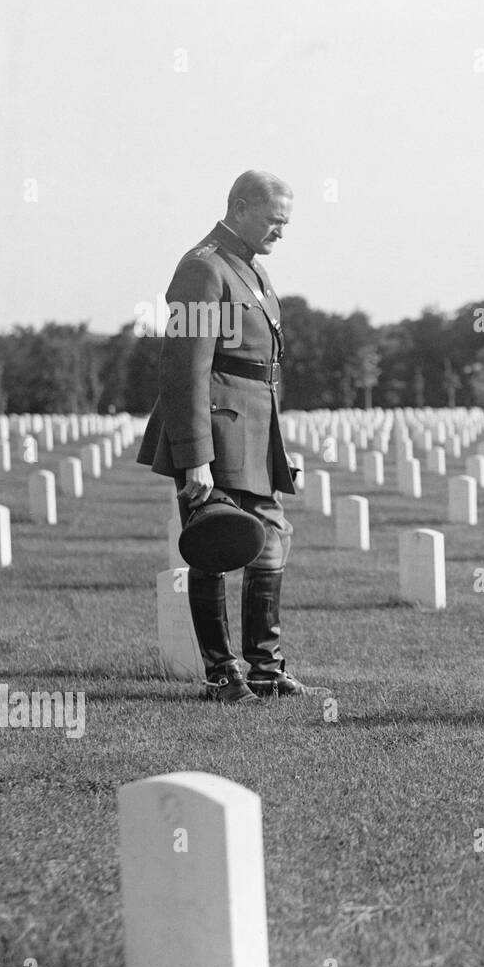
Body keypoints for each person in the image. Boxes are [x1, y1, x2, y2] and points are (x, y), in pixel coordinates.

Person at [137, 170, 322, 705]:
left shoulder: (253, 272)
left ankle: (265, 667)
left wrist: (279, 450)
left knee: (271, 535)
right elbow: (184, 367)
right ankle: (222, 673)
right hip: (214, 429)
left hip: (256, 428)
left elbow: (263, 371)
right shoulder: (201, 269)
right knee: (213, 541)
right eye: (274, 220)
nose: (281, 232)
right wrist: (195, 457)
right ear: (240, 208)